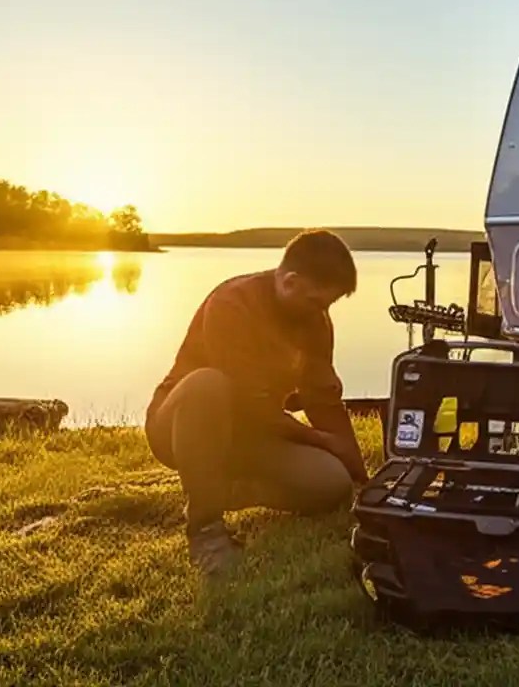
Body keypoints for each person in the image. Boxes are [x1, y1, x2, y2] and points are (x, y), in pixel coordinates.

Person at [145, 229, 369, 575]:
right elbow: (255, 408)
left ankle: (221, 487)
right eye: (317, 301)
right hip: (183, 427)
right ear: (290, 282)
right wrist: (322, 441)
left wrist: (361, 481)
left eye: (328, 305)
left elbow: (324, 401)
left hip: (250, 436)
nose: (322, 312)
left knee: (332, 483)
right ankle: (206, 530)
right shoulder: (231, 304)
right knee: (209, 385)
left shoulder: (315, 321)